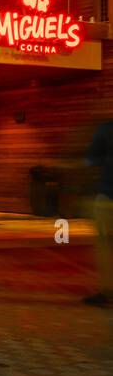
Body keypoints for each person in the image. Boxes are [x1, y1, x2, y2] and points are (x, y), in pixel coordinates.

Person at [83, 120, 113, 307]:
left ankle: (108, 292)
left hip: (109, 194)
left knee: (105, 246)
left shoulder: (107, 128)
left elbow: (91, 160)